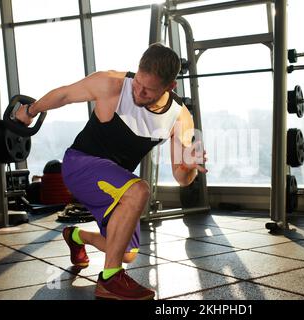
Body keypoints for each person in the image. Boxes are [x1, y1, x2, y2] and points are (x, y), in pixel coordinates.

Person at [15, 43, 207, 300]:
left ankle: (75, 235)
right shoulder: (112, 84)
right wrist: (30, 111)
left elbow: (182, 179)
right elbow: (64, 95)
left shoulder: (179, 117)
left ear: (170, 87)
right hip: (80, 164)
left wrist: (189, 167)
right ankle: (109, 280)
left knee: (125, 251)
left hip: (115, 183)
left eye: (148, 90)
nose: (138, 91)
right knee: (140, 189)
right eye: (138, 81)